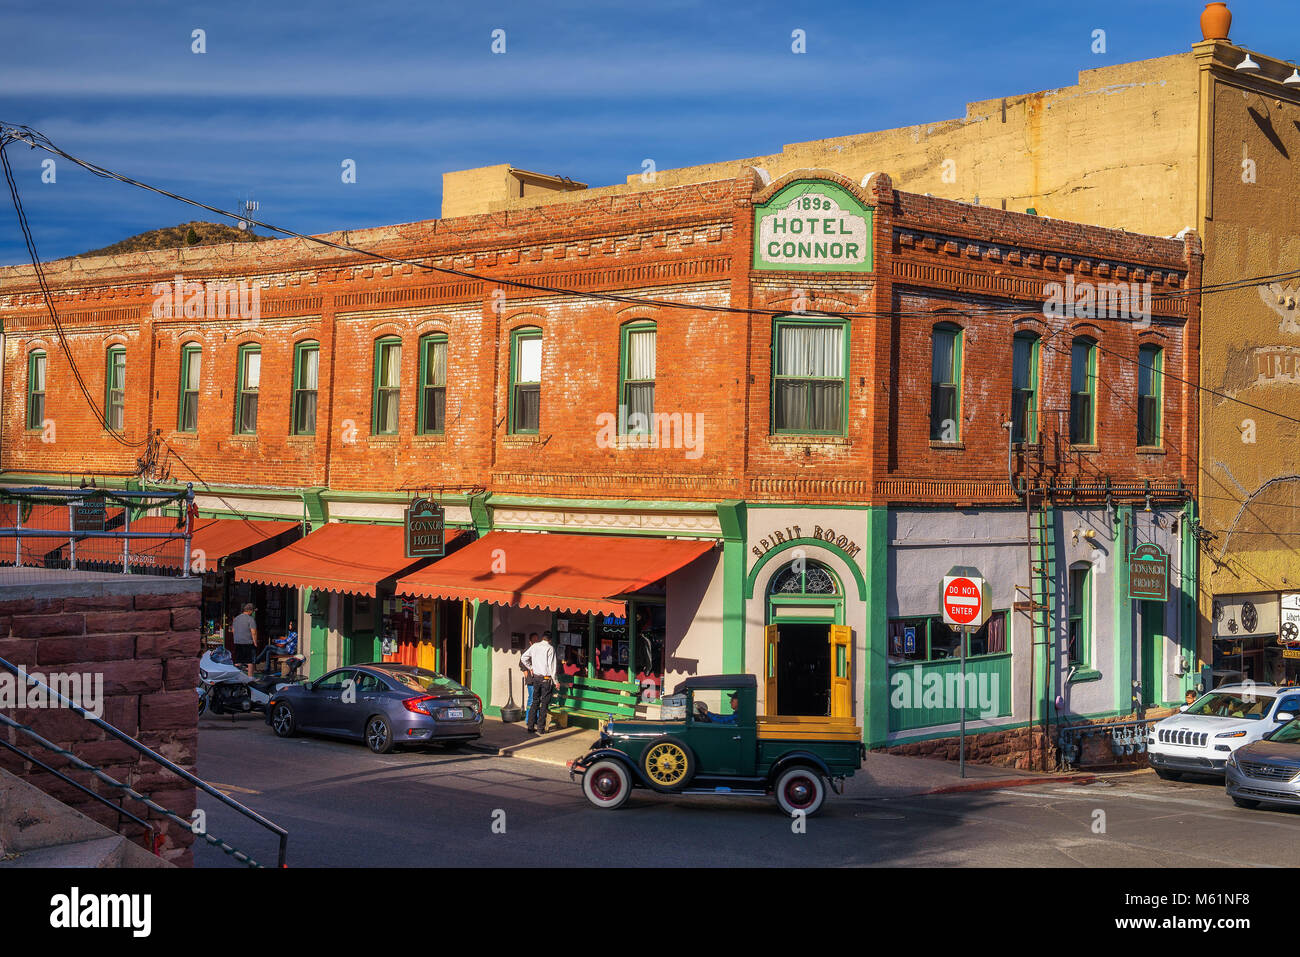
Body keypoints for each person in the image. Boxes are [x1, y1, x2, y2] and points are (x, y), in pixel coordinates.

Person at [521, 632, 558, 735]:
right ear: (550, 640)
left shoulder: (535, 646)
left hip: (536, 678)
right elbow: (552, 666)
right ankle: (540, 728)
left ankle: (530, 726)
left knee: (535, 702)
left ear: (542, 638)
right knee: (544, 704)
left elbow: (523, 658)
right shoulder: (550, 648)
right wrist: (556, 681)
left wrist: (531, 667)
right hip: (546, 679)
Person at [231, 603, 258, 677]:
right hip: (248, 642)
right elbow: (254, 632)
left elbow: (233, 630)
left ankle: (237, 677)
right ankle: (250, 678)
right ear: (250, 611)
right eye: (253, 611)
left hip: (237, 642)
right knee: (249, 662)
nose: (253, 612)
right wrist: (255, 642)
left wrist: (236, 639)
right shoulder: (251, 619)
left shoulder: (236, 618)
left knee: (238, 661)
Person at [521, 632, 539, 714]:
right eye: (534, 640)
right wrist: (527, 676)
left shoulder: (539, 652)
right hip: (531, 680)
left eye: (537, 640)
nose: (535, 642)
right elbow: (522, 665)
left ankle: (536, 718)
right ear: (530, 642)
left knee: (538, 698)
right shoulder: (526, 651)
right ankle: (528, 718)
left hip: (539, 679)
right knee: (531, 698)